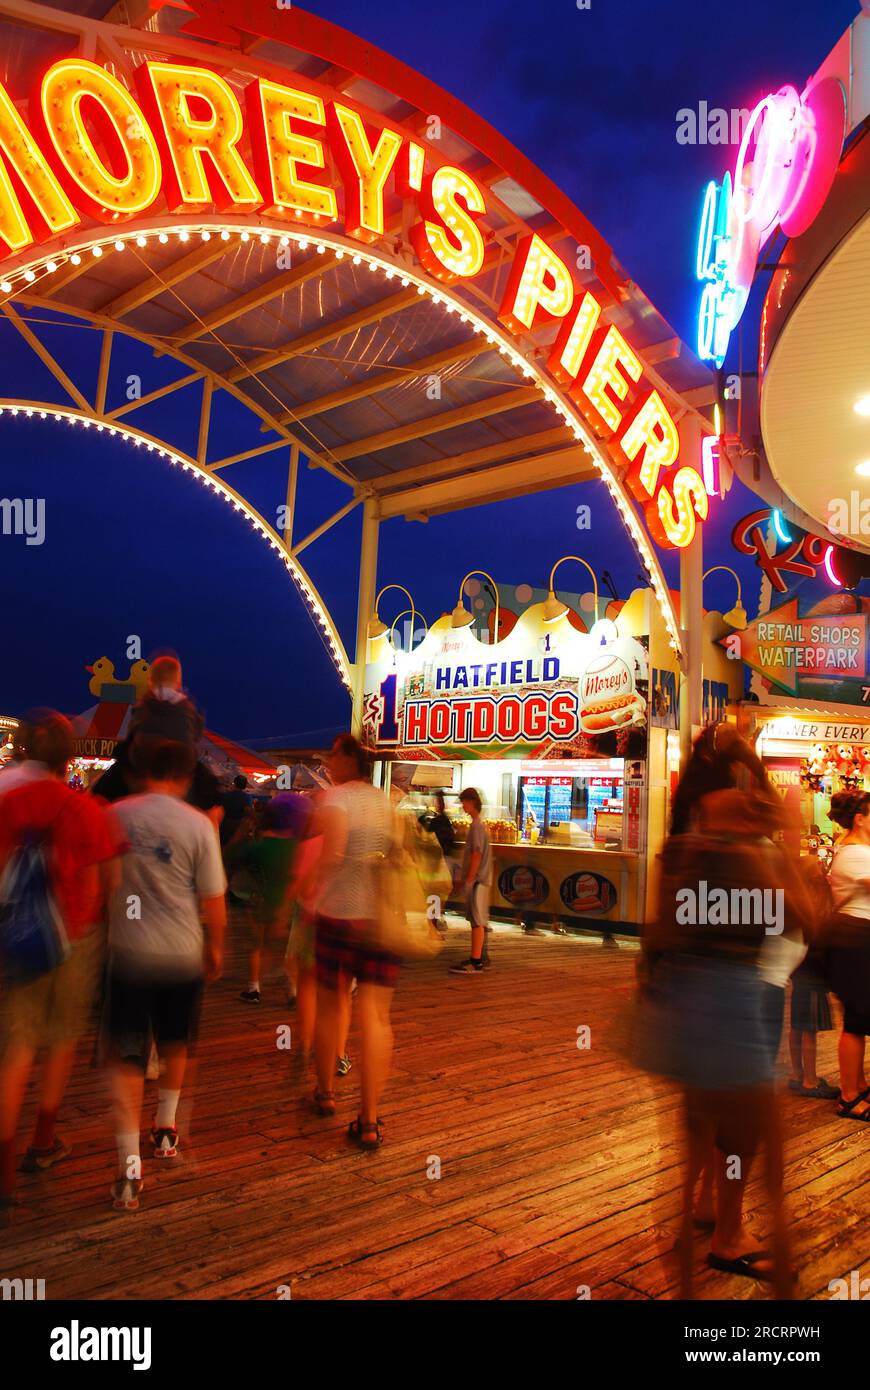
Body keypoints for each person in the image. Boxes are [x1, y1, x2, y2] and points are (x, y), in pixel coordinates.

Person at [642, 725, 797, 1298]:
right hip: (743, 993)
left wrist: (652, 979)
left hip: (685, 995)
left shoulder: (682, 841)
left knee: (700, 1120)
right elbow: (795, 914)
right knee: (743, 1131)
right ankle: (729, 1233)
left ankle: (707, 1205)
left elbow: (656, 930)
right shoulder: (742, 843)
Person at [0, 711, 120, 1207]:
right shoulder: (87, 810)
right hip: (75, 937)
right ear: (68, 757)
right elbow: (105, 885)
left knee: (16, 1047)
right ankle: (43, 1139)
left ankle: (3, 1169)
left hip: (14, 937)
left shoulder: (6, 800)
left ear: (23, 750)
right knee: (62, 1039)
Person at [103, 739, 226, 1211]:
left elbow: (105, 884)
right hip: (180, 954)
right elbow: (213, 899)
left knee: (129, 1056)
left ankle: (129, 1166)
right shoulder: (197, 825)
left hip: (129, 953)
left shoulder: (117, 816)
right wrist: (215, 946)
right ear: (183, 778)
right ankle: (166, 1129)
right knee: (175, 1043)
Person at [311, 735, 397, 1149]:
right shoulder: (386, 801)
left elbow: (331, 855)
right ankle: (369, 1119)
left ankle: (326, 1091)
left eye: (332, 754)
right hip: (381, 919)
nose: (328, 761)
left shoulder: (336, 799)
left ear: (348, 760)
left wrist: (306, 889)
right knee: (376, 1017)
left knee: (333, 1004)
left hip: (338, 914)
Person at [91, 655, 223, 833]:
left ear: (151, 680)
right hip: (180, 764)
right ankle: (209, 824)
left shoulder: (143, 706)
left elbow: (133, 734)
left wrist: (120, 752)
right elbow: (196, 736)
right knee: (211, 790)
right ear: (178, 681)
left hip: (145, 762)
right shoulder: (189, 709)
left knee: (105, 786)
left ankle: (96, 817)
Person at [228, 796, 301, 1004]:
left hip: (258, 901)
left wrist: (240, 836)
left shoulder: (257, 847)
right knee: (286, 949)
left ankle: (253, 988)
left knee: (256, 945)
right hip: (287, 903)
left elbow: (230, 857)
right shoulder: (295, 847)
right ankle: (292, 989)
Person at [826, 790, 870, 1122]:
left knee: (862, 1016)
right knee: (856, 1019)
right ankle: (849, 1096)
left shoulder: (855, 849)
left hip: (859, 936)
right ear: (861, 817)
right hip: (855, 937)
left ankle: (859, 1084)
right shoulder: (855, 853)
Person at [449, 788, 492, 975]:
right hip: (482, 879)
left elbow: (476, 853)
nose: (463, 806)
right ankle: (478, 957)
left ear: (472, 802)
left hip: (478, 880)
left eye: (464, 802)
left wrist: (469, 879)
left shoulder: (476, 826)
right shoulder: (480, 825)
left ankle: (476, 962)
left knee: (476, 920)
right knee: (478, 919)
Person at [220, 775, 251, 849]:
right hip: (238, 824)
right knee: (236, 846)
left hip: (225, 823)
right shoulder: (246, 797)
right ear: (244, 785)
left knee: (224, 844)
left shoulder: (226, 795)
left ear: (235, 783)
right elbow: (247, 810)